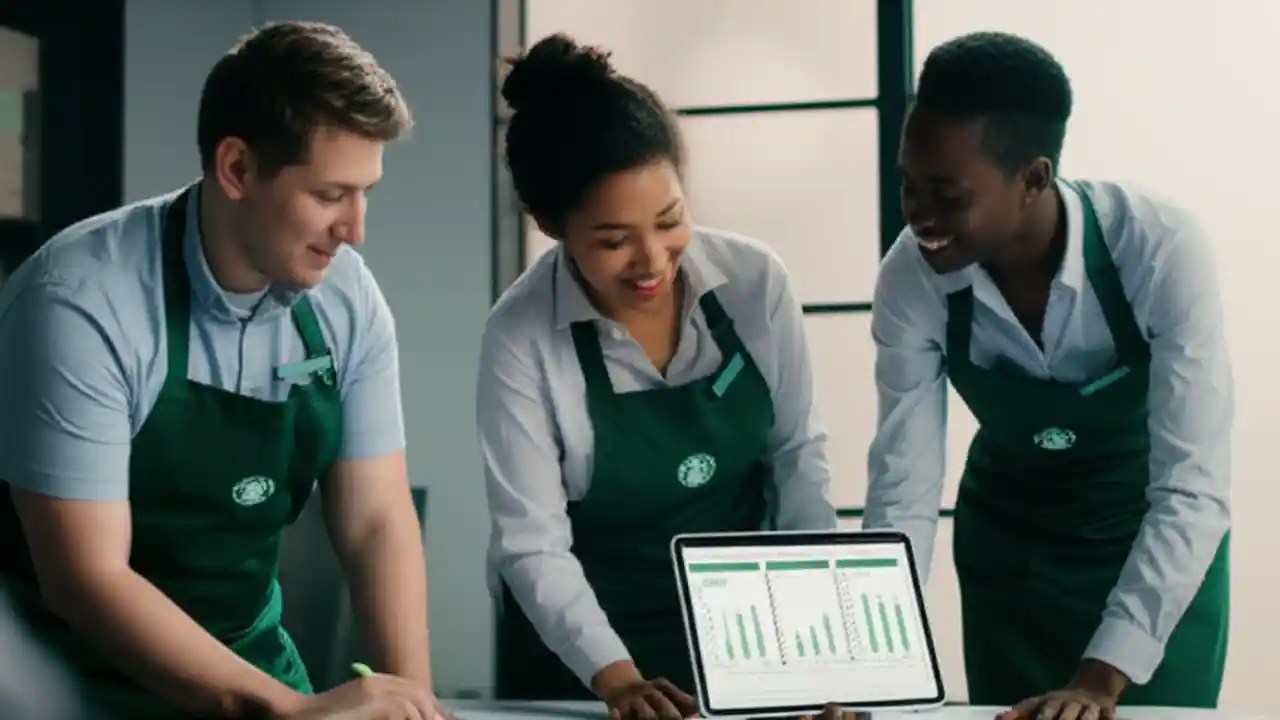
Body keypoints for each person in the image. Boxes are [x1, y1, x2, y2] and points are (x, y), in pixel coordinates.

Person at [0, 21, 447, 720]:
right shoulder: (79, 302)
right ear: (236, 168)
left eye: (366, 194)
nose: (356, 229)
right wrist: (289, 714)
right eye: (331, 195)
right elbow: (86, 577)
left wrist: (415, 702)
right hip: (70, 683)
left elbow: (376, 523)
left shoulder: (347, 298)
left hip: (254, 668)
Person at [863, 31, 1232, 720]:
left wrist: (1101, 677)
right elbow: (902, 490)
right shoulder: (911, 276)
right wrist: (864, 664)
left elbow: (1192, 486)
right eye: (908, 184)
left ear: (1033, 178)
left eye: (946, 193)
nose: (917, 214)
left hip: (1150, 545)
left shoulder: (1158, 249)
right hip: (1013, 557)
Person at [478, 34, 845, 720]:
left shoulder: (753, 283)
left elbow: (798, 460)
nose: (652, 260)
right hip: (578, 658)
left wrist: (817, 647)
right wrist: (617, 681)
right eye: (613, 240)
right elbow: (531, 544)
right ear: (549, 225)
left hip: (738, 635)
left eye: (670, 221)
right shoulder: (520, 335)